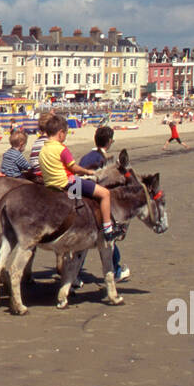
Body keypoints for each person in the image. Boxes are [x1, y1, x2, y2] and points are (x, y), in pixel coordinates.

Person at [40, 114, 116, 241]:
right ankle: (108, 228)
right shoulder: (61, 149)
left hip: (49, 184)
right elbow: (74, 168)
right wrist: (88, 172)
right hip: (67, 183)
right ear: (60, 133)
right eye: (65, 134)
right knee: (105, 193)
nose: (65, 137)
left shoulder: (44, 149)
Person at [79, 125, 128, 281]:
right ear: (109, 141)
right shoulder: (103, 160)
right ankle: (117, 271)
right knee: (108, 238)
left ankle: (76, 274)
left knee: (83, 244)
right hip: (94, 202)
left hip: (79, 198)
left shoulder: (86, 157)